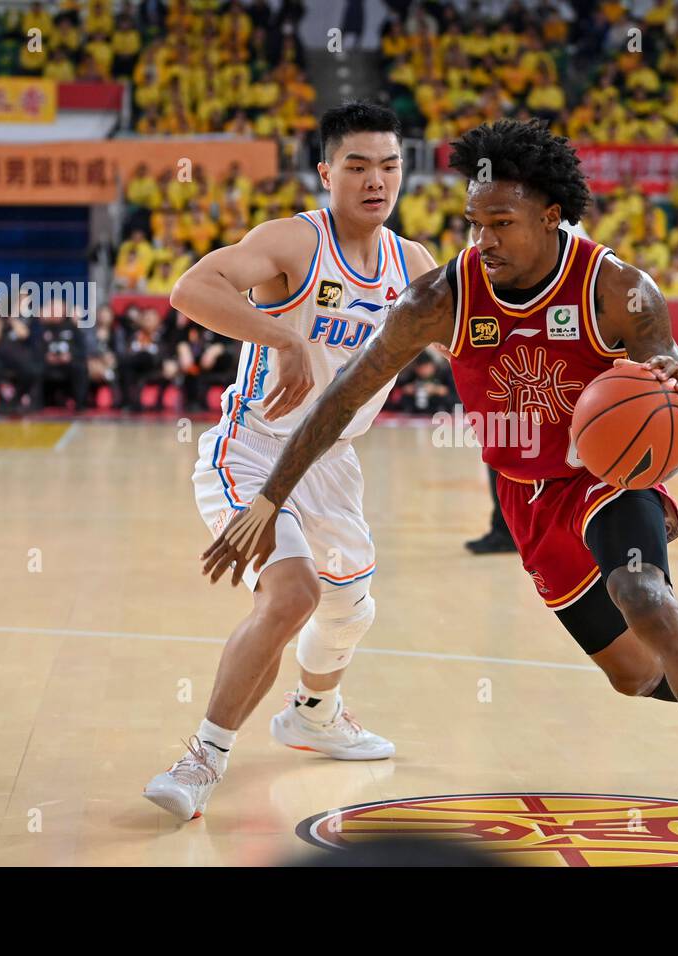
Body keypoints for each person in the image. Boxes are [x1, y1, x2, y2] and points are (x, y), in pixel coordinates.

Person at [198, 120, 678, 867]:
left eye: (501, 223)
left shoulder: (618, 291)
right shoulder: (442, 296)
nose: (483, 238)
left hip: (607, 475)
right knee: (634, 674)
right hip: (527, 497)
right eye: (474, 222)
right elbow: (340, 398)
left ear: (552, 215)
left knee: (643, 592)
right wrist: (270, 496)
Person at [142, 103, 440, 823]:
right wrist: (283, 336)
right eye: (359, 166)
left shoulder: (416, 267)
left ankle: (314, 713)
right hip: (250, 450)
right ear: (326, 173)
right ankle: (202, 758)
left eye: (390, 165)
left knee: (349, 609)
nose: (377, 180)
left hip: (333, 462)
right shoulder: (293, 242)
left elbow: (480, 344)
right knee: (292, 594)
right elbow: (193, 288)